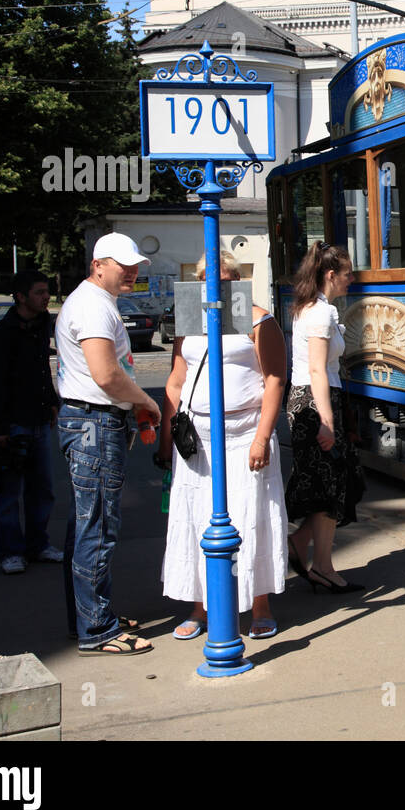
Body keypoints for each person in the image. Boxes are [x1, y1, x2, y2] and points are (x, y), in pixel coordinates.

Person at [157, 251, 288, 640]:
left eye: (225, 279)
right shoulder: (189, 318)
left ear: (237, 280)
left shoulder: (260, 319)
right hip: (198, 438)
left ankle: (259, 604)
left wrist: (262, 436)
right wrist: (167, 436)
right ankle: (200, 606)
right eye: (207, 279)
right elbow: (177, 381)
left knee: (252, 515)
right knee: (197, 517)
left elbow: (275, 380)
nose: (216, 285)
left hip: (244, 431)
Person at [55, 232, 161, 656]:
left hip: (92, 420)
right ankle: (96, 628)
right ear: (98, 264)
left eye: (134, 265)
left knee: (87, 524)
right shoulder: (94, 308)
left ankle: (87, 617)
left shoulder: (94, 301)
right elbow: (106, 376)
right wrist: (146, 400)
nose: (131, 272)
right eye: (123, 265)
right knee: (97, 527)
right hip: (95, 422)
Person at [284, 241, 365, 594]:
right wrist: (328, 422)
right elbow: (317, 369)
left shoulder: (315, 308)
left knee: (327, 487)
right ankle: (323, 566)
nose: (351, 280)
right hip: (315, 402)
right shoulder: (319, 313)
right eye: (348, 274)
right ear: (331, 275)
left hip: (315, 399)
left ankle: (303, 549)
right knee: (331, 486)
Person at [0, 269, 61, 575]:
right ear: (21, 297)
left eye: (47, 292)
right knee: (9, 492)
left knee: (42, 489)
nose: (46, 298)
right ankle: (11, 551)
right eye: (40, 292)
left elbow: (43, 370)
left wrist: (52, 403)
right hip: (13, 425)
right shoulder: (4, 333)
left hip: (40, 420)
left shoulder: (42, 326)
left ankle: (37, 545)